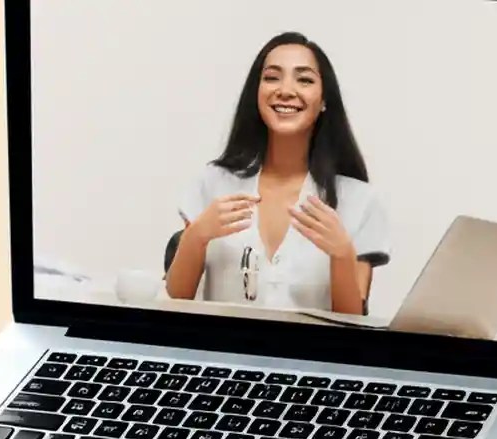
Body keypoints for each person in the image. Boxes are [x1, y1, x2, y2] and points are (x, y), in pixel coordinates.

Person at [164, 32, 389, 315]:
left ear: (324, 100)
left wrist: (342, 254)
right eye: (272, 78)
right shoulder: (213, 183)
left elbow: (352, 324)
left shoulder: (359, 200)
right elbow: (175, 301)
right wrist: (196, 236)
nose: (285, 90)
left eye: (304, 80)